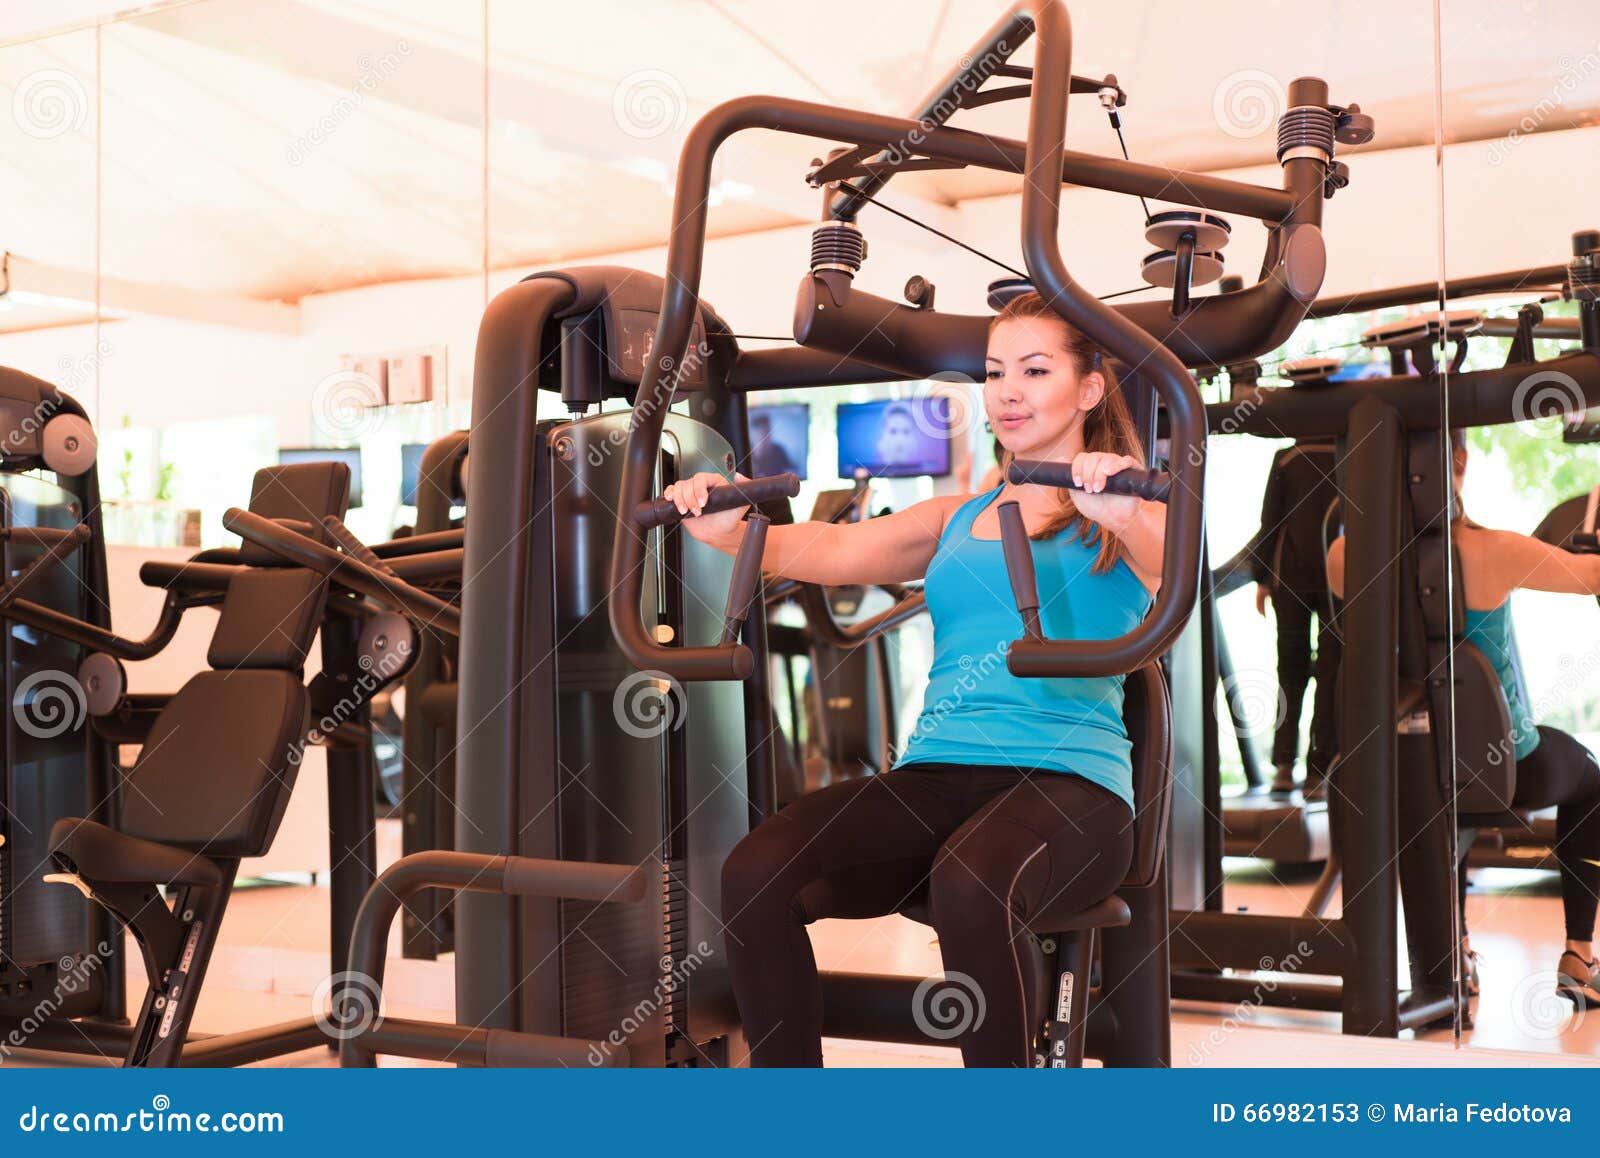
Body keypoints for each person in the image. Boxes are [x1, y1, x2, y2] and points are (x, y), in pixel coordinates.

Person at [658, 292, 1165, 1066]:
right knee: (756, 871)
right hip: (937, 775)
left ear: (1090, 388)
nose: (1009, 391)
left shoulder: (1130, 507)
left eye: (1035, 369)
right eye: (996, 373)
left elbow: (1177, 571)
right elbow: (829, 550)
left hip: (1072, 787)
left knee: (971, 879)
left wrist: (1121, 506)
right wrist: (728, 534)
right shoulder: (956, 517)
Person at [1327, 431, 1600, 1012]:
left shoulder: (1343, 557)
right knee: (1591, 780)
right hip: (1506, 769)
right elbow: (1593, 577)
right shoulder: (1495, 550)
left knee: (1440, 784)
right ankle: (1580, 955)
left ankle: (1458, 951)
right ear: (1457, 461)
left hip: (1399, 765)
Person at [1249, 438, 1340, 797]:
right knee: (1330, 673)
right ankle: (1318, 770)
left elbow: (1270, 521)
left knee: (1290, 671)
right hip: (1338, 580)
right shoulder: (1349, 451)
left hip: (1289, 579)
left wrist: (1261, 579)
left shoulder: (1287, 458)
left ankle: (1283, 767)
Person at [749, 411, 801, 478]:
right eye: (762, 434)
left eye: (768, 432)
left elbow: (793, 471)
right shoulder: (746, 452)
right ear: (753, 434)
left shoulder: (779, 450)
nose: (766, 437)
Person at [874, 402, 919, 470]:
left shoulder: (924, 467)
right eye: (893, 431)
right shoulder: (873, 469)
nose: (900, 439)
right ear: (882, 434)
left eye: (906, 432)